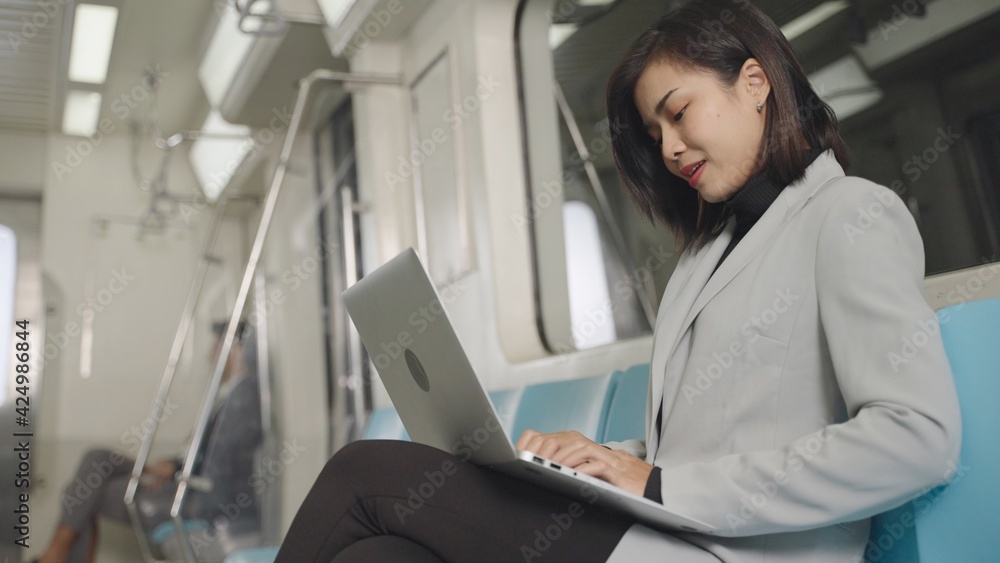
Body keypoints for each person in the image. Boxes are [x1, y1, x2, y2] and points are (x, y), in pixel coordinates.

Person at [274, 1, 962, 561]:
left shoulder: (849, 215)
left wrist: (657, 481)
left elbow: (916, 436)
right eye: (655, 128)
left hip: (740, 552)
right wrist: (603, 459)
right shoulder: (705, 256)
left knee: (363, 473)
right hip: (668, 535)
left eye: (678, 111)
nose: (667, 147)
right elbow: (704, 442)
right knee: (386, 555)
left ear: (754, 84)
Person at [35, 321, 263, 563]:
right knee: (97, 459)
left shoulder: (243, 397)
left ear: (235, 349)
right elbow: (210, 453)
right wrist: (174, 464)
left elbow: (222, 463)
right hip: (181, 477)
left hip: (194, 495)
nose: (210, 356)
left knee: (81, 492)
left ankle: (56, 553)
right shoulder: (229, 395)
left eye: (216, 348)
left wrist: (178, 471)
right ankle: (58, 553)